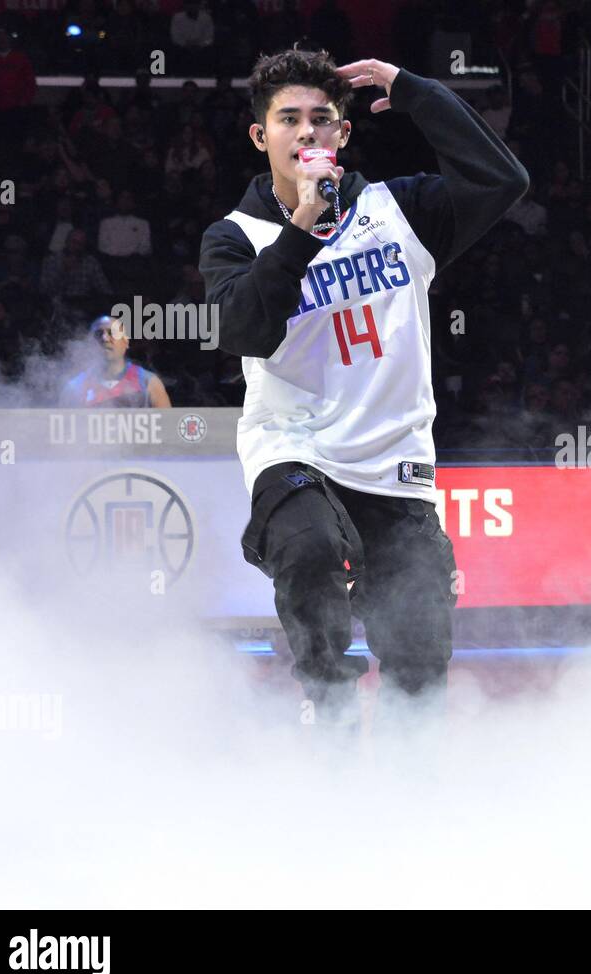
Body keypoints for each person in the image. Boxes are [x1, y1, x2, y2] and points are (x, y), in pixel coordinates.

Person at [198, 48, 527, 732]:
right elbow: (245, 330)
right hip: (296, 447)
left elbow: (504, 180)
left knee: (418, 656)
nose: (307, 132)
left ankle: (409, 797)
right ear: (262, 137)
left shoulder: (400, 208)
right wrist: (302, 230)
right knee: (311, 547)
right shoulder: (237, 236)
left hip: (395, 461)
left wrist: (416, 91)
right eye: (288, 119)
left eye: (323, 119)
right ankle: (331, 705)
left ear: (344, 134)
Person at [60, 315, 172, 408]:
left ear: (126, 341)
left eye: (112, 332)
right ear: (90, 343)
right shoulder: (75, 387)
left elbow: (167, 427)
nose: (105, 338)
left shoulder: (149, 382)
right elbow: (62, 431)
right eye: (98, 334)